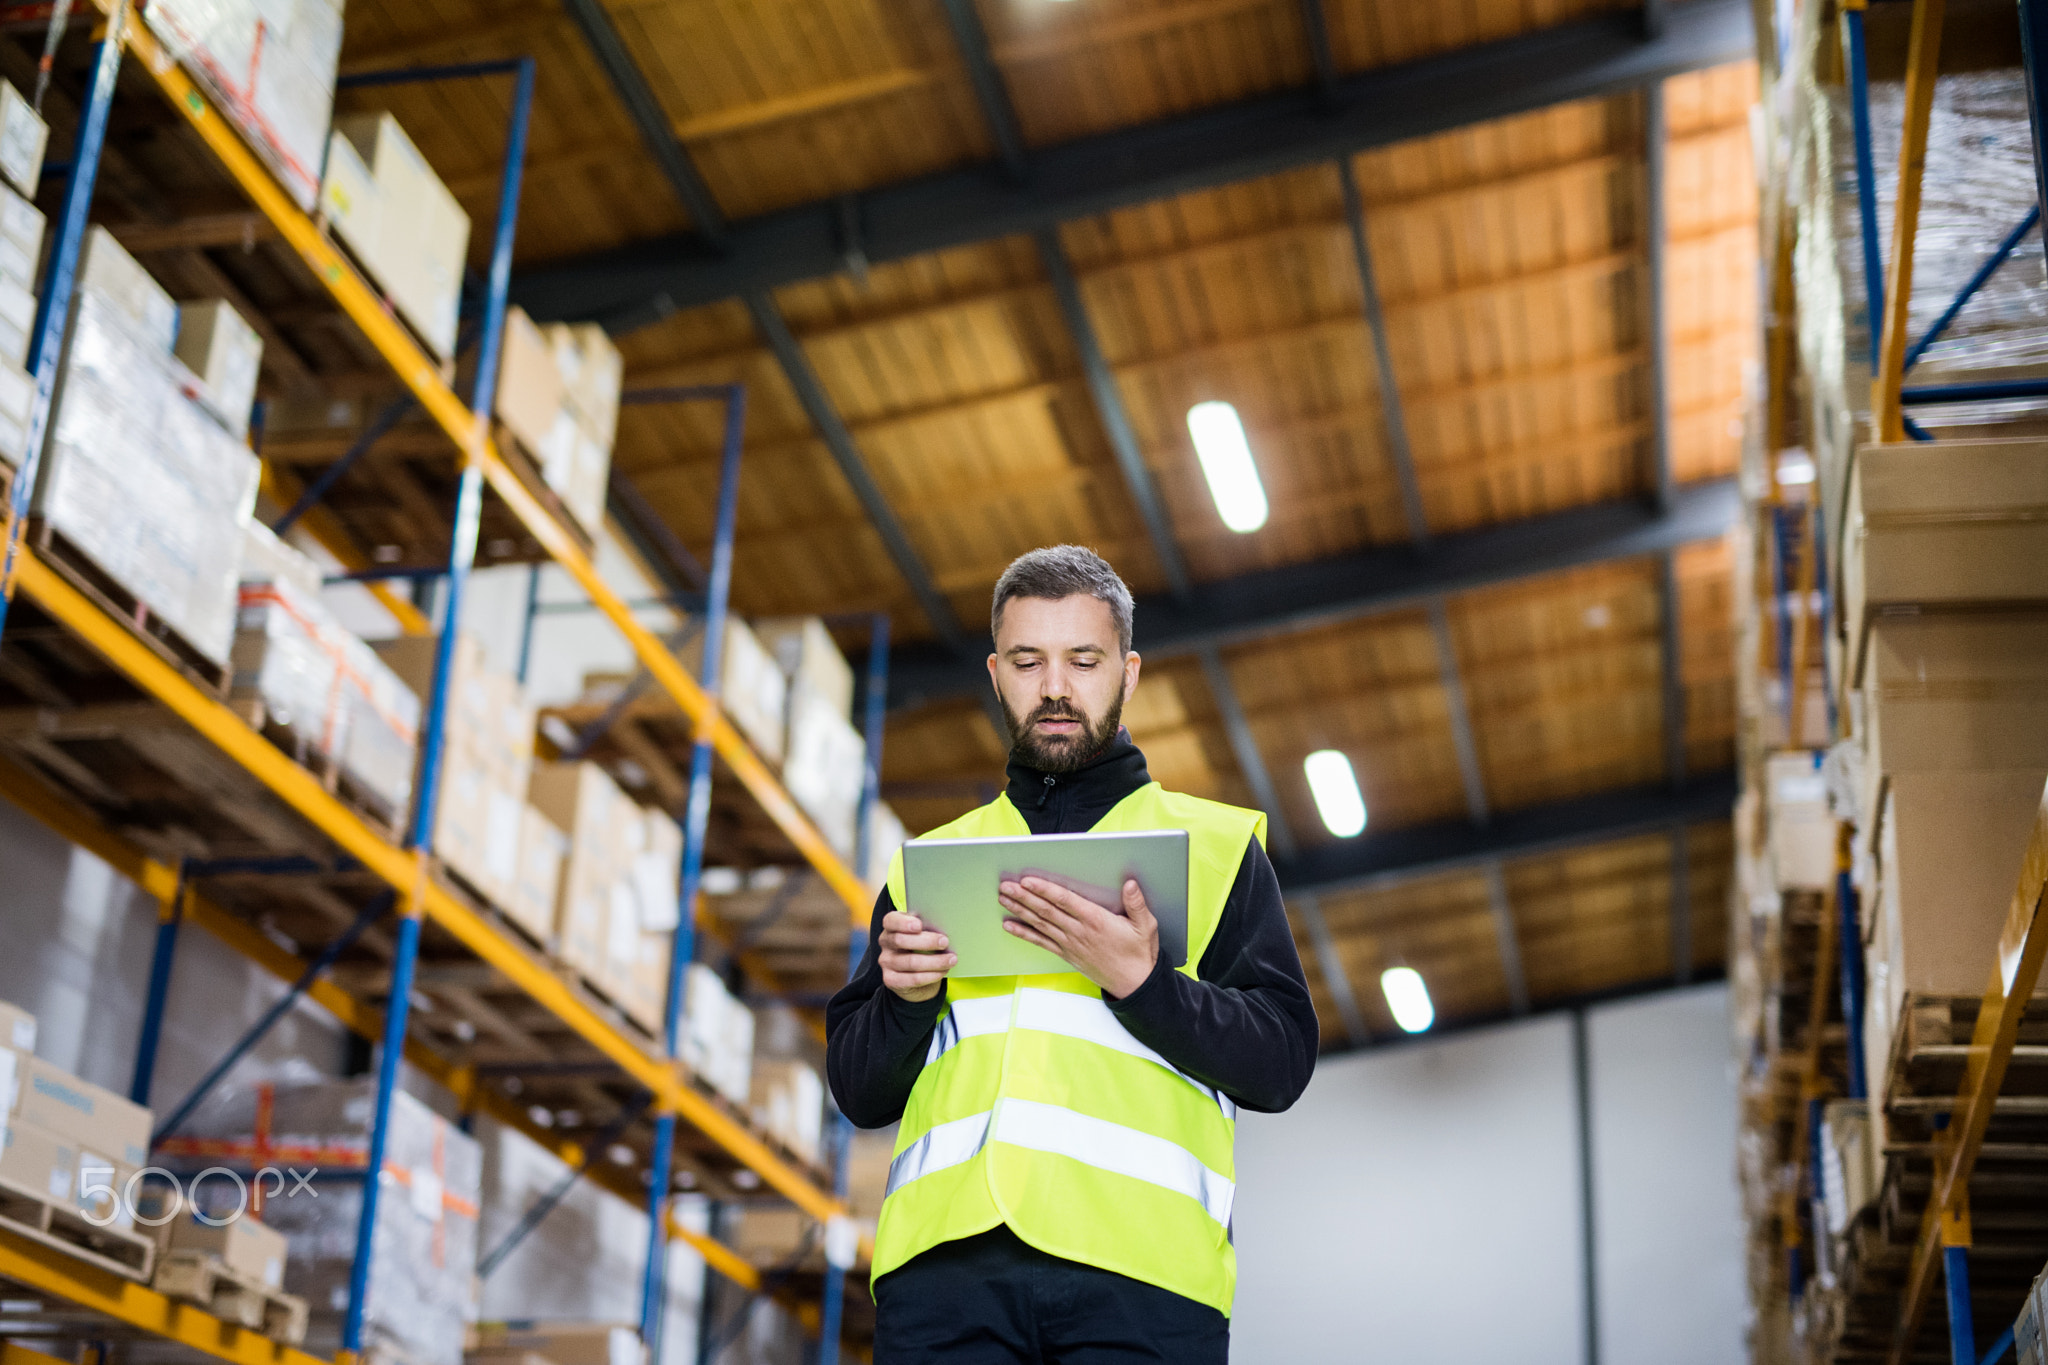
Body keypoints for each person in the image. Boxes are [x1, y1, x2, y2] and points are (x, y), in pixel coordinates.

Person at [827, 545, 1318, 1363]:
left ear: (1128, 674)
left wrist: (1144, 984)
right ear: (995, 673)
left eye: (1082, 661)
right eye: (1029, 661)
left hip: (1144, 1282)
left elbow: (1282, 1061)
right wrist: (904, 1002)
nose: (1055, 687)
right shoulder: (927, 866)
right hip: (946, 1283)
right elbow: (859, 1088)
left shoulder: (1217, 848)